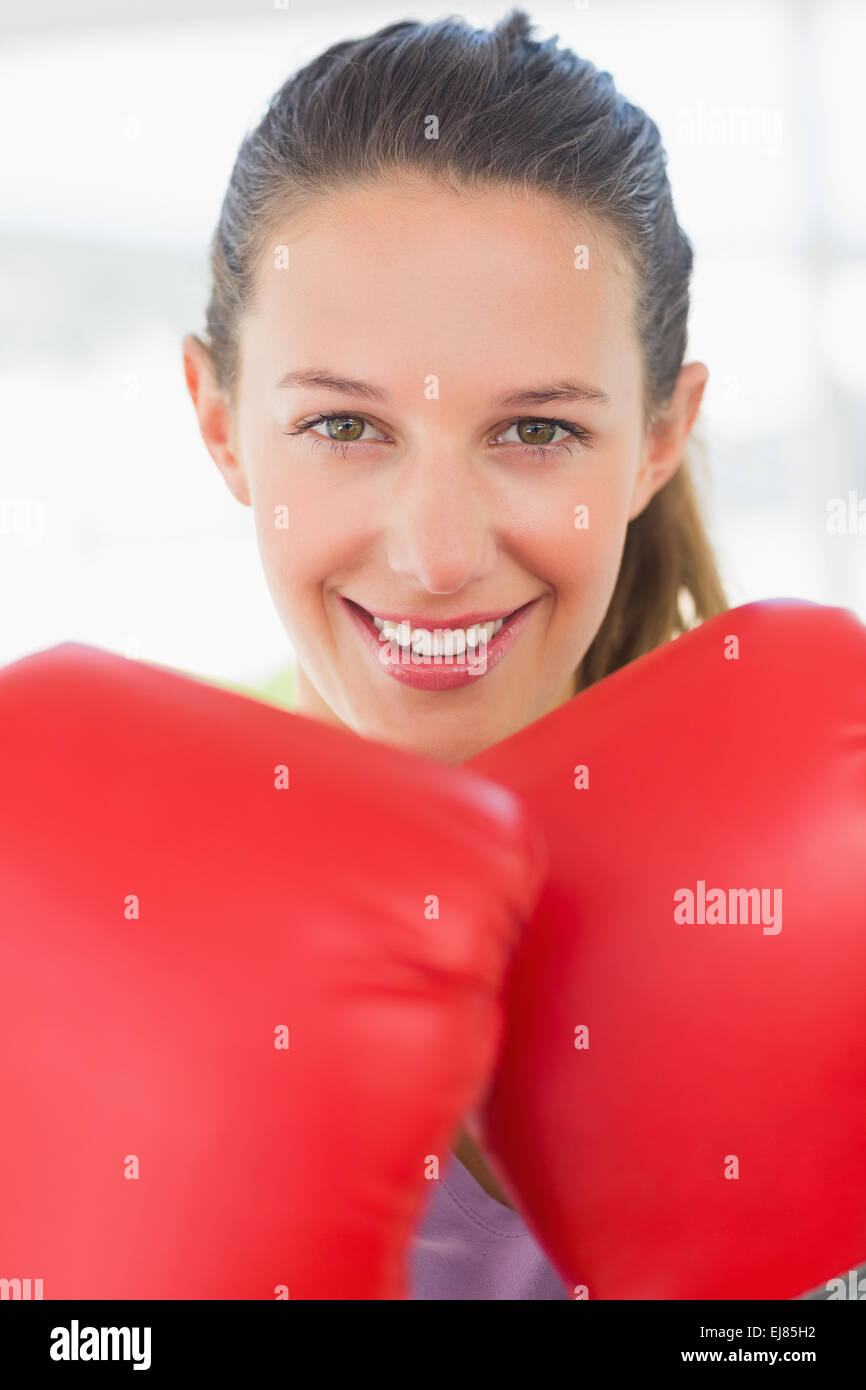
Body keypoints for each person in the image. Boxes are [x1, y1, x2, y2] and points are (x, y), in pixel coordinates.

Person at [181, 8, 729, 1299]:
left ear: (656, 437)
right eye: (340, 425)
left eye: (533, 431)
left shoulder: (808, 877)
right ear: (219, 425)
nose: (434, 554)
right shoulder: (76, 871)